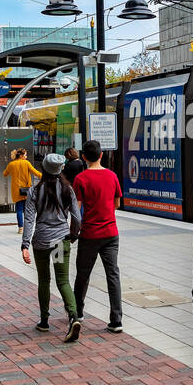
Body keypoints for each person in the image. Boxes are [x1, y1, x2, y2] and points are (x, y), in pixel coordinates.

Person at [21, 153, 83, 341]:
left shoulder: (34, 191)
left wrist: (24, 244)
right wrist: (73, 235)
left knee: (44, 280)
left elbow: (29, 219)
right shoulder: (68, 190)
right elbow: (77, 218)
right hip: (59, 242)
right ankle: (73, 317)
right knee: (63, 281)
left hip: (41, 242)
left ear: (44, 169)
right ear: (60, 170)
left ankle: (44, 321)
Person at [72, 139, 123, 332]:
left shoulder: (81, 179)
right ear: (101, 155)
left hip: (90, 234)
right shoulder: (112, 176)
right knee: (113, 275)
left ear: (84, 157)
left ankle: (78, 312)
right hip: (111, 233)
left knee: (83, 275)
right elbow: (117, 204)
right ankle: (116, 320)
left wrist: (73, 231)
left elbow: (76, 211)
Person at [3, 148, 42, 233]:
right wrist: (44, 176)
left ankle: (21, 228)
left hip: (16, 191)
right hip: (26, 190)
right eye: (25, 155)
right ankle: (28, 227)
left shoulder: (11, 164)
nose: (26, 156)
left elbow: (5, 174)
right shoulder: (26, 163)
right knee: (27, 209)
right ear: (21, 156)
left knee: (19, 210)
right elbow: (35, 172)